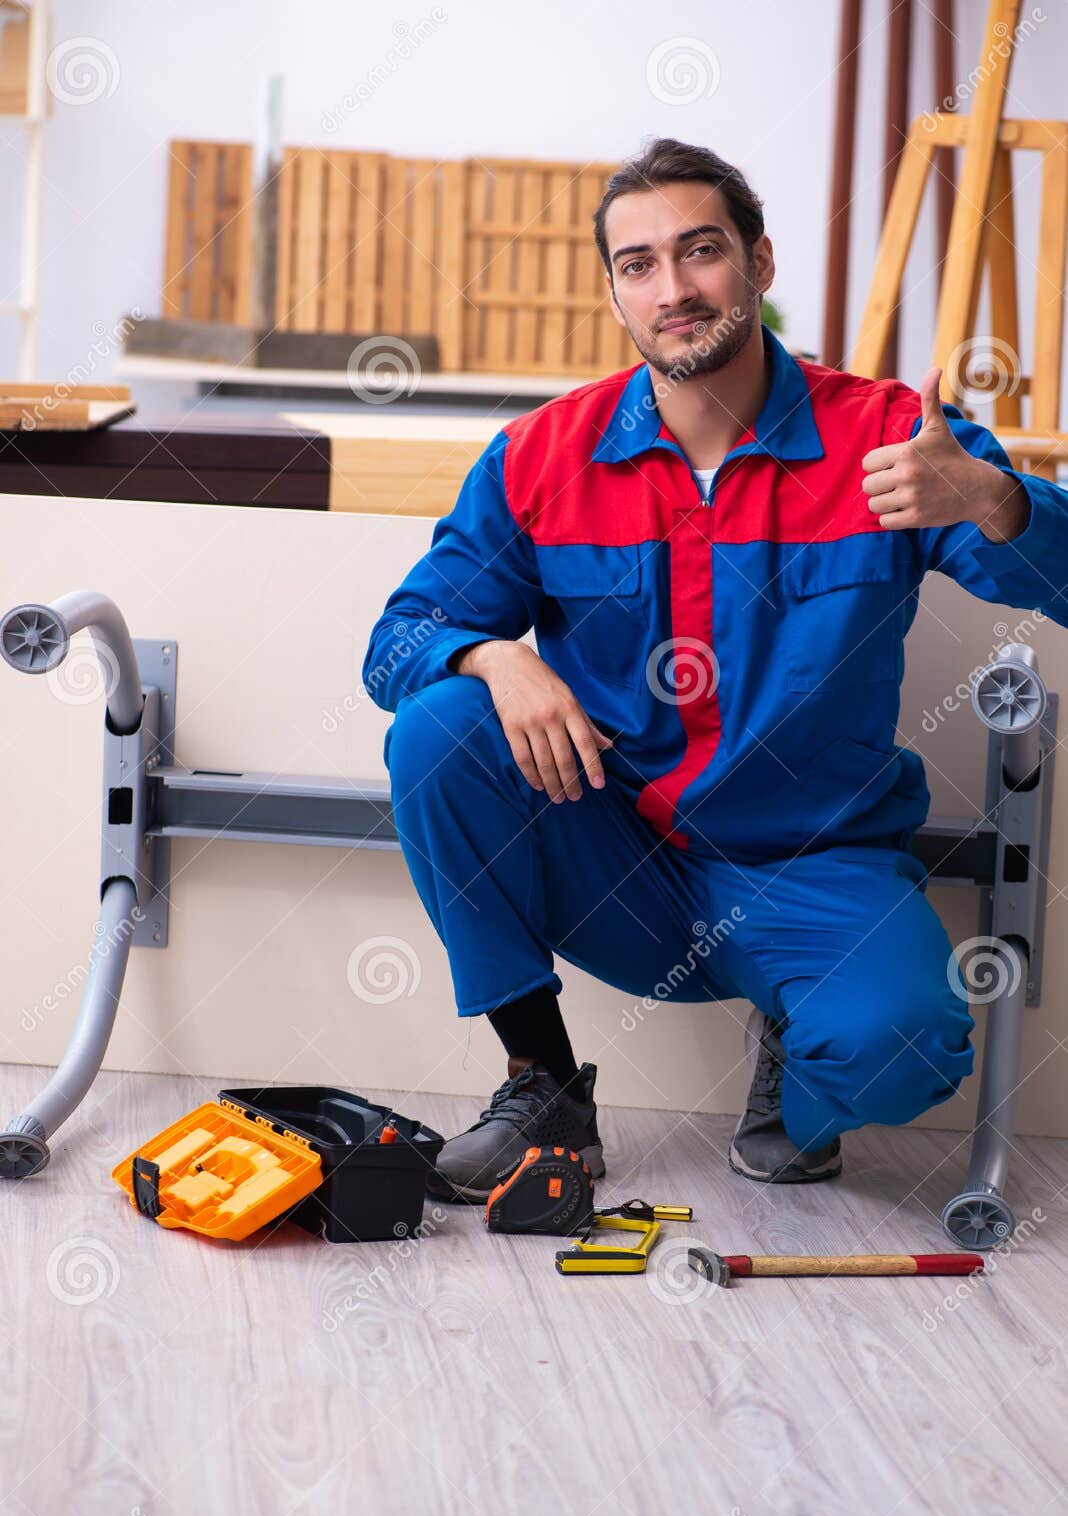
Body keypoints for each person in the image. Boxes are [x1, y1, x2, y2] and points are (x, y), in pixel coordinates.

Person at [361, 135, 1068, 1203]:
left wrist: (994, 499)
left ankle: (799, 1044)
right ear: (614, 294)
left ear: (760, 264)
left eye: (700, 251)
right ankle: (542, 1085)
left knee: (906, 1044)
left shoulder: (885, 438)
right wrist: (491, 652)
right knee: (439, 724)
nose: (674, 288)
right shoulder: (542, 457)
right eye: (638, 264)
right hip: (620, 866)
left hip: (813, 870)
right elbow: (398, 642)